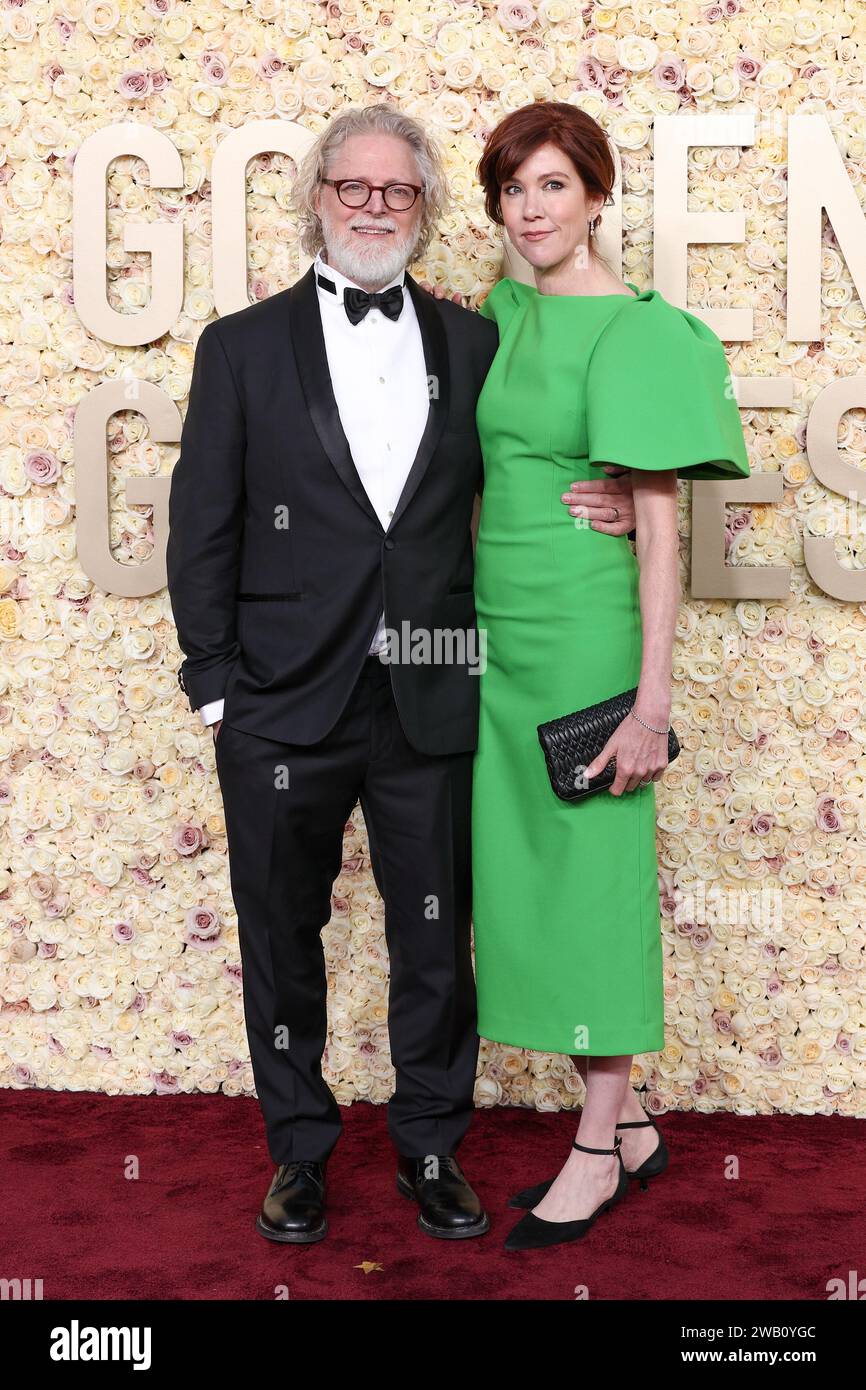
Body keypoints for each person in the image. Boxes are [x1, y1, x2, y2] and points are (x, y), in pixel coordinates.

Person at [165, 102, 639, 1245]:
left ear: (423, 210)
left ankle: (430, 1144)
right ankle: (298, 1152)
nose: (373, 206)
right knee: (281, 936)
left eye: (398, 191)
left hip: (431, 690)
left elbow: (529, 465)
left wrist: (620, 497)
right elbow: (201, 526)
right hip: (280, 704)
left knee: (434, 937)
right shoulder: (238, 346)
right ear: (317, 198)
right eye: (352, 187)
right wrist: (218, 686)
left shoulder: (471, 342)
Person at [466, 101, 751, 1251]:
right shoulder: (496, 315)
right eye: (510, 188)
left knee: (590, 875)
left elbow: (658, 524)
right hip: (495, 640)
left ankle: (590, 1149)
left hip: (586, 638)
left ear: (595, 195)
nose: (527, 209)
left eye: (549, 186)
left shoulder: (638, 331)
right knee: (525, 885)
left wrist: (649, 706)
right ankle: (628, 1119)